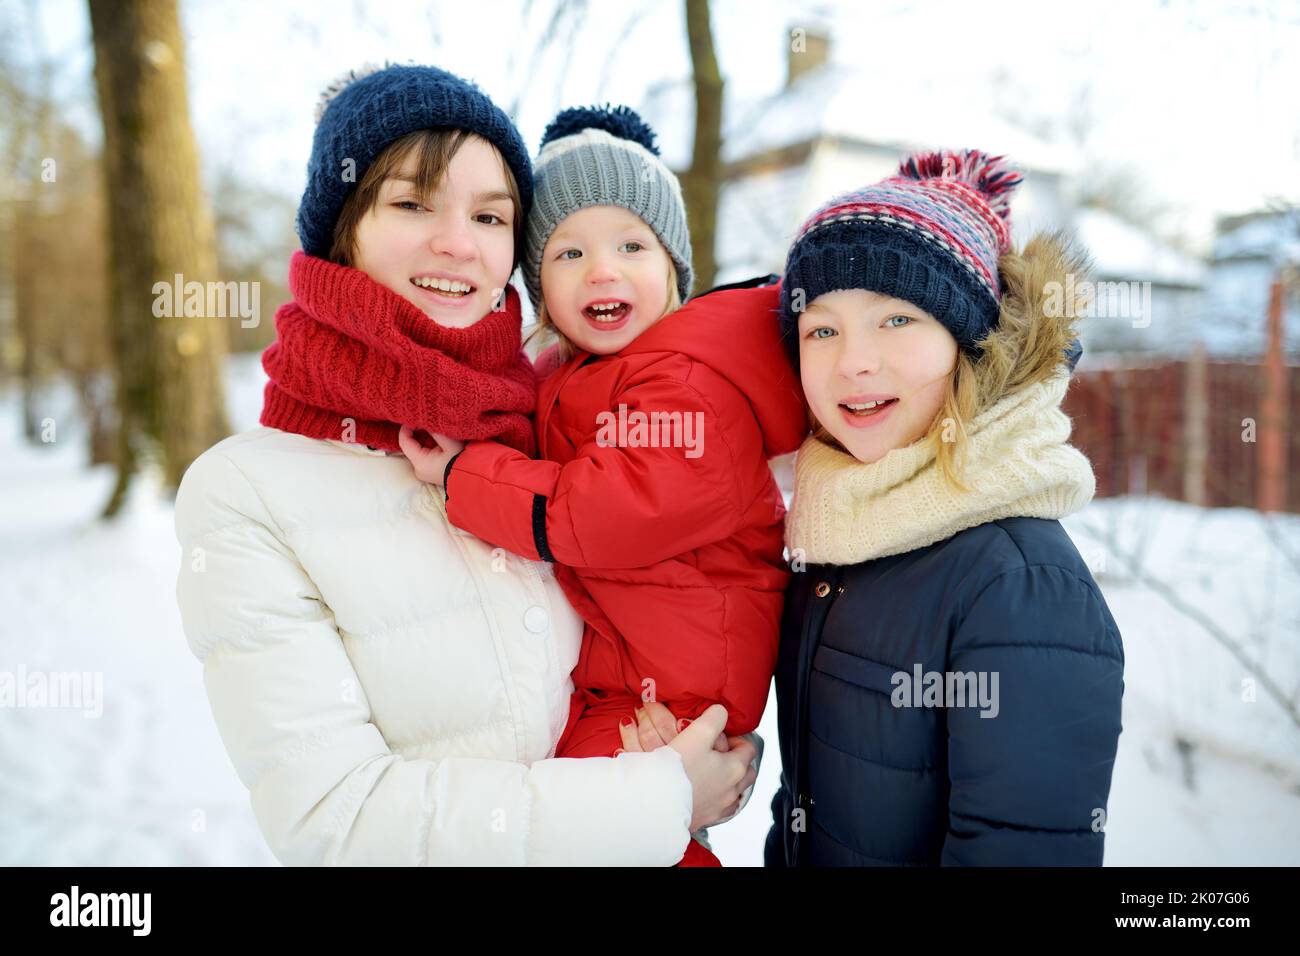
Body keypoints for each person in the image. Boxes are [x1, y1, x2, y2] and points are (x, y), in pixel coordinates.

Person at [174, 64, 756, 866]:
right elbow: (334, 823)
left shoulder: (547, 434)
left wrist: (690, 738)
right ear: (343, 226)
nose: (458, 241)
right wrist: (653, 799)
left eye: (490, 215)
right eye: (412, 202)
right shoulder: (247, 494)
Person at [399, 105, 806, 866]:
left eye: (631, 244)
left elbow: (603, 513)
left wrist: (464, 474)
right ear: (536, 285)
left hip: (679, 683)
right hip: (627, 663)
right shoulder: (570, 377)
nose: (603, 270)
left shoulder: (690, 384)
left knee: (601, 823)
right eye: (569, 252)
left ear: (674, 269)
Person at [763, 149, 1125, 866]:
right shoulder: (832, 529)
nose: (853, 361)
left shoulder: (1018, 584)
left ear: (969, 344)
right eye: (822, 329)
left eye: (896, 320)